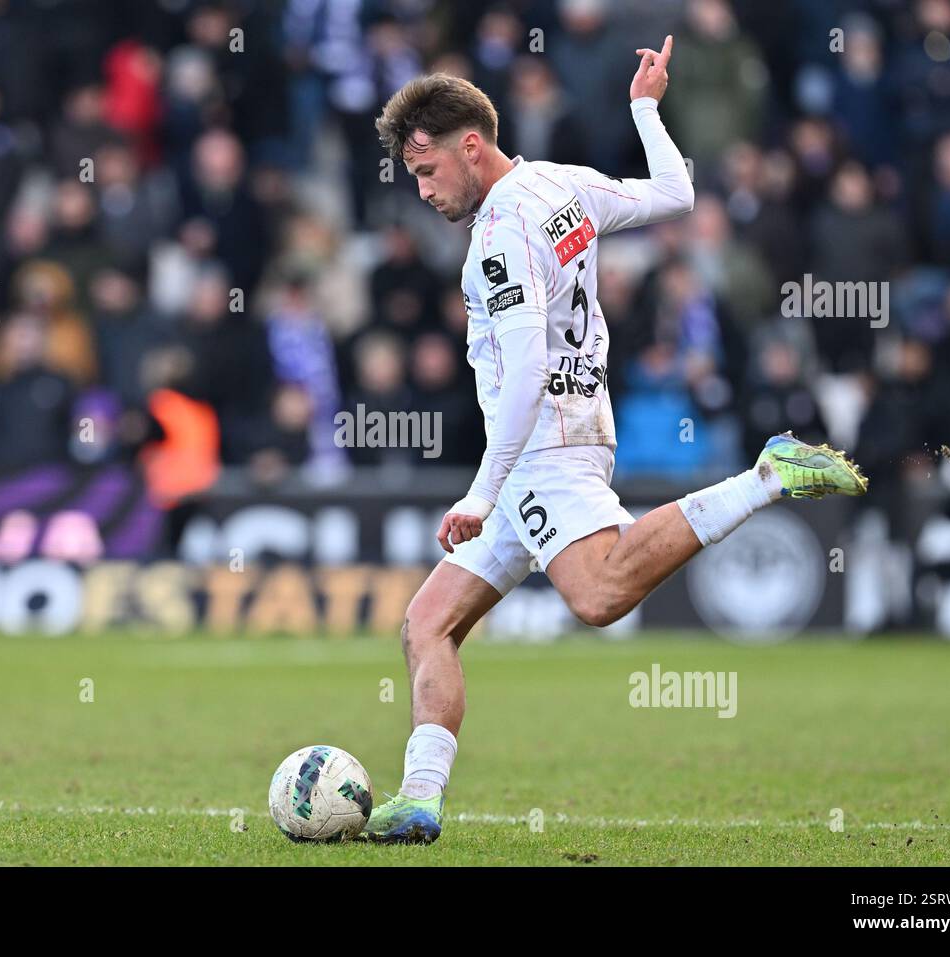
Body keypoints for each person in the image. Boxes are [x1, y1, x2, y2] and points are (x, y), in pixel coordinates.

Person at [362, 39, 868, 844]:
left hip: (539, 444)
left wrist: (482, 493)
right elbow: (676, 190)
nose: (421, 189)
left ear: (469, 145)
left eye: (426, 170)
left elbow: (525, 370)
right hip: (576, 421)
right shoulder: (562, 184)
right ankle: (420, 799)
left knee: (597, 595)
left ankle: (768, 476)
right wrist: (645, 109)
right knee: (427, 623)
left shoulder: (501, 233)